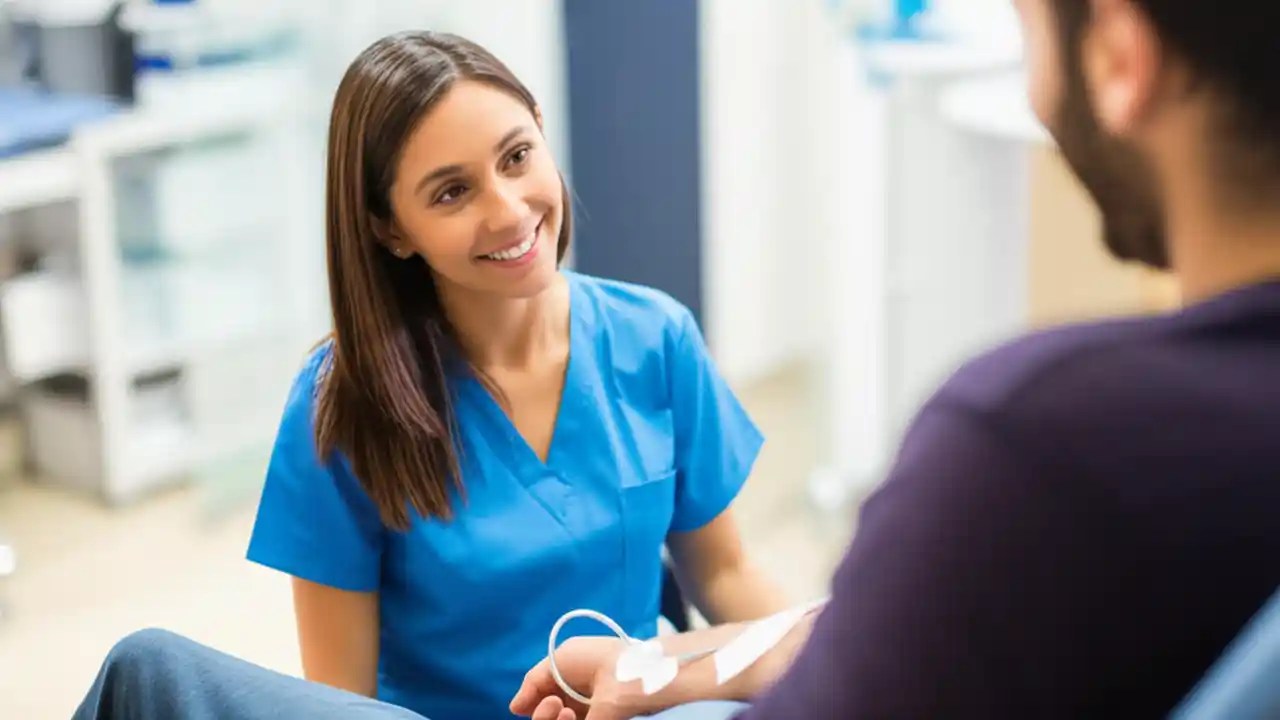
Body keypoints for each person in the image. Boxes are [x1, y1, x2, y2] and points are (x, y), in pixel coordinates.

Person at [507, 0, 1280, 717]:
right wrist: (677, 662)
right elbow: (885, 635)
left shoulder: (1045, 448)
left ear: (1118, 57)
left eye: (1027, 25)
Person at [72, 31, 785, 720]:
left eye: (516, 157)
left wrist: (824, 669)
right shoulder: (343, 404)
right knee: (146, 666)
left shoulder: (654, 338)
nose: (508, 212)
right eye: (451, 193)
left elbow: (723, 574)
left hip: (627, 712)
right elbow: (340, 702)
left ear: (541, 128)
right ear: (390, 229)